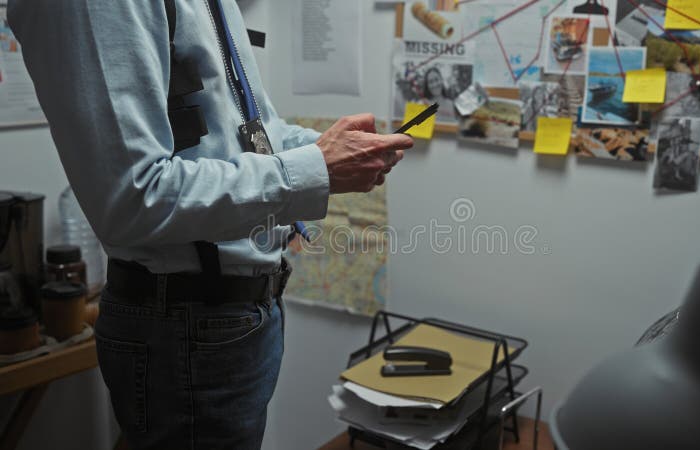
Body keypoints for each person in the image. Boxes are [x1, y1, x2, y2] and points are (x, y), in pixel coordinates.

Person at [8, 1, 413, 449]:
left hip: (230, 318)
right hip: (187, 325)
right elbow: (134, 198)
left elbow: (245, 133)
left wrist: (324, 149)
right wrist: (316, 167)